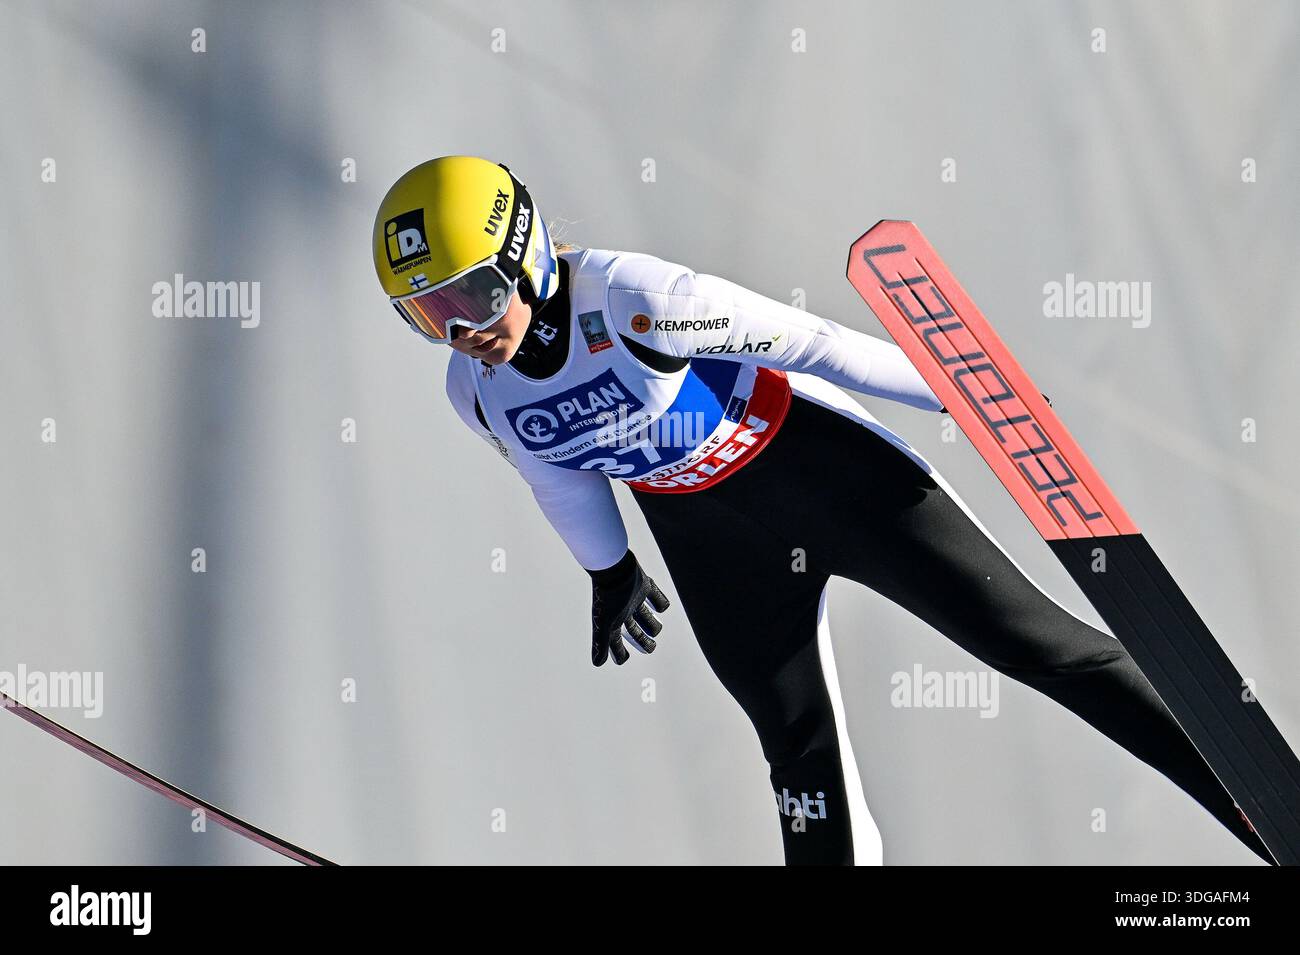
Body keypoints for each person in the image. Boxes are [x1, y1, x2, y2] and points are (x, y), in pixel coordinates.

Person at [371, 155, 1270, 865]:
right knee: (796, 750)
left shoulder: (635, 298)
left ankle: (1258, 813)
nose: (462, 331)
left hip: (825, 475)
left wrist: (967, 395)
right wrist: (608, 569)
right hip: (709, 541)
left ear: (522, 253)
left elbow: (823, 347)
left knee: (1032, 645)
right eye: (426, 315)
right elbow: (559, 477)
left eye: (471, 298)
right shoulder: (477, 392)